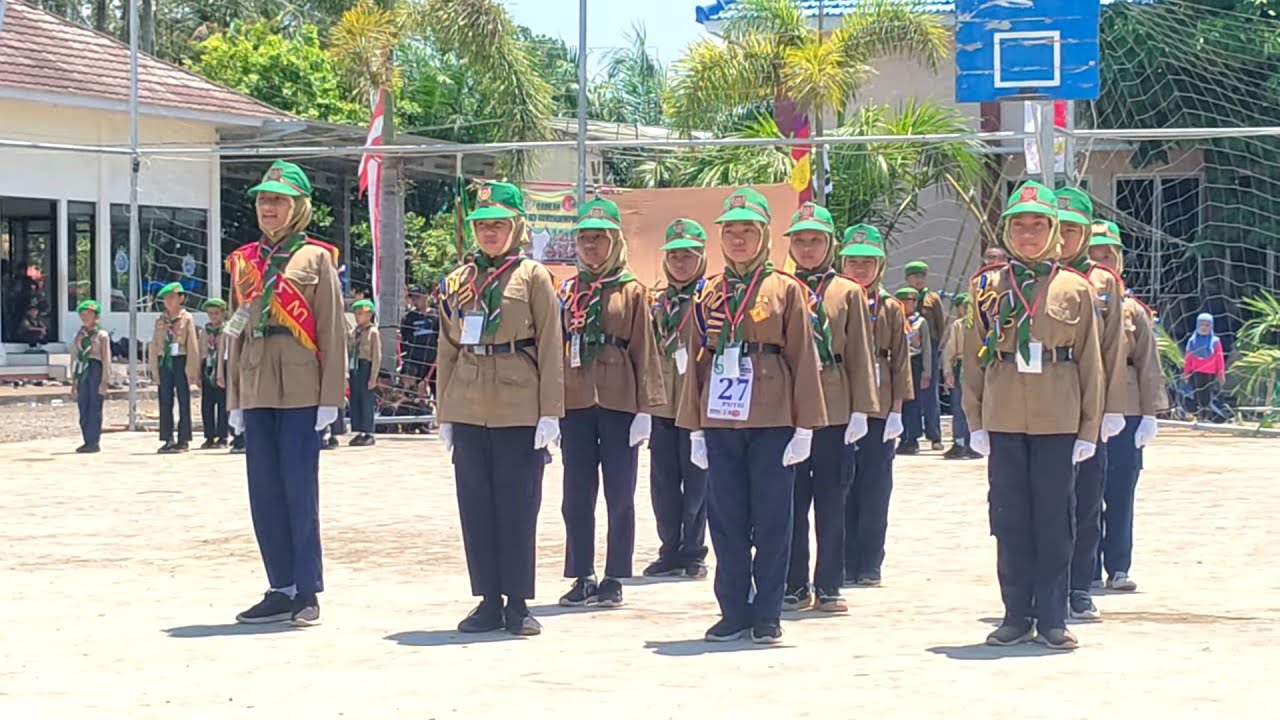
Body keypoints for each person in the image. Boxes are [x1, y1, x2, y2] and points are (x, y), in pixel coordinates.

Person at [676, 187, 827, 644]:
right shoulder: (708, 293)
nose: (738, 240)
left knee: (773, 517)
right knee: (726, 519)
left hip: (772, 418)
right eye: (731, 231)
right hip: (721, 419)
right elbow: (696, 361)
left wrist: (805, 425)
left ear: (764, 236)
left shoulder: (785, 289)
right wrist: (694, 429)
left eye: (748, 231)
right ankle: (734, 609)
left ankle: (767, 612)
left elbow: (803, 357)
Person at [964, 180, 1104, 651]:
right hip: (1003, 414)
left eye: (1038, 224)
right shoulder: (985, 287)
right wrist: (975, 420)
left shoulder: (1076, 289)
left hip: (1057, 416)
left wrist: (1090, 427)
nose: (1028, 233)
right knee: (1008, 517)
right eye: (1019, 225)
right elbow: (973, 359)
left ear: (1055, 231)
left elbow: (1091, 362)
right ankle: (1014, 614)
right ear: (1006, 230)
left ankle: (1051, 617)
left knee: (1054, 518)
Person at [437, 180, 565, 636]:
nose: (489, 232)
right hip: (469, 400)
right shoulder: (459, 279)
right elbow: (448, 344)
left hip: (518, 400)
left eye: (498, 224)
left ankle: (518, 601)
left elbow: (551, 343)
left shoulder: (533, 276)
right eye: (482, 225)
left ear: (517, 227)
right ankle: (487, 599)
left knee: (518, 504)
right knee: (476, 505)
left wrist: (550, 411)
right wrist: (444, 412)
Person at [227, 160, 345, 627]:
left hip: (300, 388)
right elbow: (236, 329)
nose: (268, 207)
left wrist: (330, 397)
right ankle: (280, 586)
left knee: (299, 490)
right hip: (256, 383)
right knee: (264, 492)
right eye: (262, 199)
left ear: (297, 207)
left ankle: (308, 590)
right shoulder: (244, 261)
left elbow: (334, 331)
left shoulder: (315, 258)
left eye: (277, 200)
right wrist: (234, 396)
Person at [557, 196, 665, 609]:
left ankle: (616, 575)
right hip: (577, 401)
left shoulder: (632, 291)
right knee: (575, 494)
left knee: (619, 494)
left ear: (615, 242)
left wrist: (645, 409)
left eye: (599, 238)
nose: (590, 246)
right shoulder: (568, 291)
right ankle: (581, 574)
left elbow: (646, 350)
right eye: (584, 238)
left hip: (621, 403)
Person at [781, 204, 878, 613]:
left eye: (815, 240)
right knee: (791, 501)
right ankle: (794, 582)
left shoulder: (847, 292)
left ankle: (830, 584)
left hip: (836, 404)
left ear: (830, 245)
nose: (807, 249)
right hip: (789, 408)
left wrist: (862, 409)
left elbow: (859, 352)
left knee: (832, 500)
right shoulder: (778, 286)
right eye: (799, 241)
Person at [1055, 187, 1129, 622]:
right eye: (1057, 228)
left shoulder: (1103, 282)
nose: (1063, 238)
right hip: (1045, 403)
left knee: (1086, 500)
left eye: (1071, 230)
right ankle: (1046, 585)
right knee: (1044, 503)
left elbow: (1115, 347)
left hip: (1090, 405)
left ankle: (1079, 587)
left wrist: (1113, 407)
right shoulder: (1032, 278)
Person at [1089, 220, 1166, 592]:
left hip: (1129, 412)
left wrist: (1150, 414)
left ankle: (1118, 566)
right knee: (1084, 494)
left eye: (1107, 256)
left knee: (1120, 491)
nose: (1101, 264)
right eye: (1094, 257)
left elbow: (1148, 363)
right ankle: (1084, 566)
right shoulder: (1076, 305)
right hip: (1085, 409)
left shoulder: (1134, 310)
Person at [838, 225, 911, 587]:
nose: (860, 269)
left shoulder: (891, 307)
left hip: (880, 408)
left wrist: (897, 410)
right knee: (840, 487)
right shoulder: (832, 301)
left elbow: (899, 360)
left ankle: (869, 562)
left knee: (875, 487)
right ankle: (841, 560)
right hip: (841, 404)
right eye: (853, 261)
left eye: (868, 262)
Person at [643, 218, 711, 580]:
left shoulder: (710, 298)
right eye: (673, 256)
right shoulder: (657, 300)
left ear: (702, 258)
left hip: (695, 404)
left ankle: (693, 550)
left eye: (687, 256)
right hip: (662, 403)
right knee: (663, 482)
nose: (680, 263)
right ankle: (668, 549)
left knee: (698, 481)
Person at [149, 282, 200, 454]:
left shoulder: (186, 318)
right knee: (165, 400)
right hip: (165, 361)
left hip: (181, 361)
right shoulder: (160, 320)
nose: (168, 301)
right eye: (165, 298)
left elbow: (192, 345)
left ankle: (183, 438)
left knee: (184, 400)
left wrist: (192, 370)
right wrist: (154, 369)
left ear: (181, 298)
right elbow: (155, 345)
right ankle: (167, 438)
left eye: (172, 297)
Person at [903, 261, 945, 451]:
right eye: (914, 276)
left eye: (921, 276)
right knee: (910, 396)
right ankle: (911, 436)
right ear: (907, 278)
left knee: (930, 395)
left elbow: (940, 324)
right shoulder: (902, 298)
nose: (918, 280)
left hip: (930, 348)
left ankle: (934, 436)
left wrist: (934, 347)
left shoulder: (932, 298)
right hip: (909, 351)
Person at [940, 293, 979, 459]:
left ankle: (974, 442)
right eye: (965, 307)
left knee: (976, 406)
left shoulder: (980, 325)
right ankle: (959, 442)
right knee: (958, 406)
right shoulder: (958, 325)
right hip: (961, 365)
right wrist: (947, 371)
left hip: (977, 367)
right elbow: (950, 350)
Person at [70, 300, 111, 454]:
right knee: (83, 405)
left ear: (96, 316)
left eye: (88, 313)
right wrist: (74, 381)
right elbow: (74, 357)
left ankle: (94, 442)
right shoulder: (79, 335)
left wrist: (104, 381)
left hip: (95, 368)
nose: (85, 316)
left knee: (95, 405)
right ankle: (86, 439)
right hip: (82, 369)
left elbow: (106, 358)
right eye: (82, 313)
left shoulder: (101, 335)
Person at [896, 287, 932, 456]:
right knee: (899, 402)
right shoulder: (895, 319)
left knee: (914, 403)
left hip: (915, 362)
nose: (906, 305)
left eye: (910, 302)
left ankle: (913, 439)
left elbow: (926, 349)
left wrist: (927, 372)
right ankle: (902, 437)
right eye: (903, 302)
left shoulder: (920, 322)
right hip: (898, 363)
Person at [347, 299, 382, 447]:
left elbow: (377, 355)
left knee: (366, 400)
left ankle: (368, 432)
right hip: (354, 367)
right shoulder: (353, 332)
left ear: (369, 315)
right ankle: (359, 430)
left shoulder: (373, 332)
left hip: (365, 366)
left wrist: (373, 377)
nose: (357, 316)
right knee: (356, 400)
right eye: (356, 313)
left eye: (361, 313)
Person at [199, 299, 230, 449]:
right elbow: (201, 351)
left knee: (223, 403)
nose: (213, 316)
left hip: (222, 366)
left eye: (216, 313)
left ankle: (223, 436)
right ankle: (209, 436)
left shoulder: (227, 331)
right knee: (207, 404)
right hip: (208, 366)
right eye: (210, 313)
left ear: (223, 313)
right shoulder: (205, 331)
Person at [1183, 312, 1225, 419]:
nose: (1204, 328)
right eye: (1201, 325)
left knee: (1208, 395)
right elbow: (1188, 358)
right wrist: (1186, 373)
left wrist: (1221, 373)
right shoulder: (1192, 341)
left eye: (1207, 325)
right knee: (1198, 394)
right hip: (1197, 372)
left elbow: (1219, 358)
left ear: (1211, 326)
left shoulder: (1215, 341)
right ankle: (1200, 416)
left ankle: (1207, 416)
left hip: (1211, 373)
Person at [400, 285, 439, 397]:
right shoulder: (409, 317)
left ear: (426, 297)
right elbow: (404, 338)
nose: (415, 301)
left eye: (418, 297)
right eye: (413, 298)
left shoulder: (436, 315)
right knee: (411, 394)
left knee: (437, 392)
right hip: (414, 363)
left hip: (433, 362)